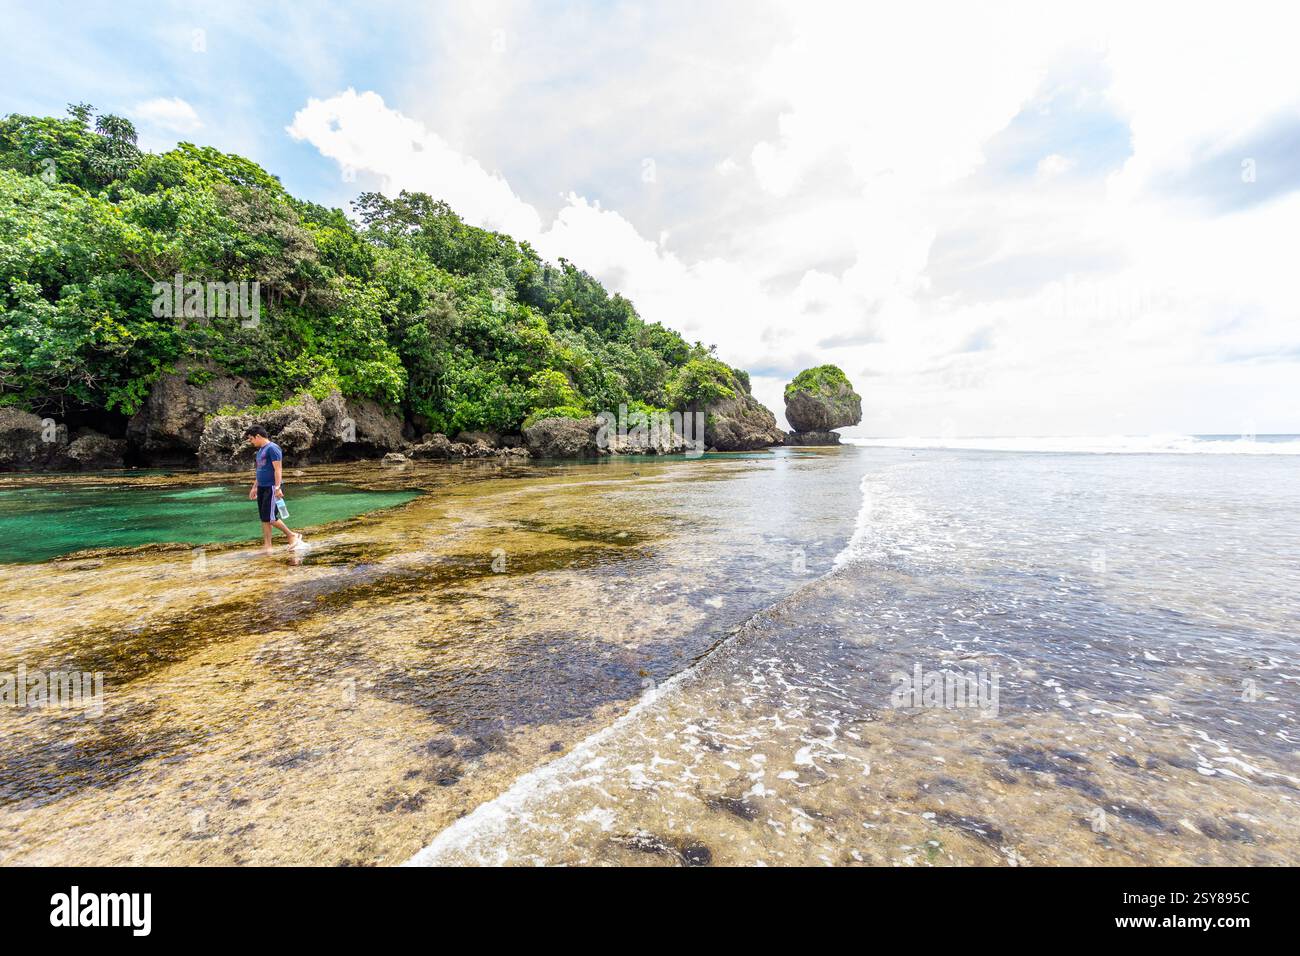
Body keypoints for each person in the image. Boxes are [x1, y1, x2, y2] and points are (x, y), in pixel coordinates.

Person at [243, 426, 303, 554]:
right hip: (262, 488)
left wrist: (277, 487)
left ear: (258, 436)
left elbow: (278, 469)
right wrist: (255, 487)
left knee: (270, 517)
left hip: (271, 487)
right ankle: (267, 546)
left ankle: (292, 535)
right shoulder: (260, 451)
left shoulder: (272, 448)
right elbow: (260, 471)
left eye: (251, 439)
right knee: (264, 518)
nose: (250, 442)